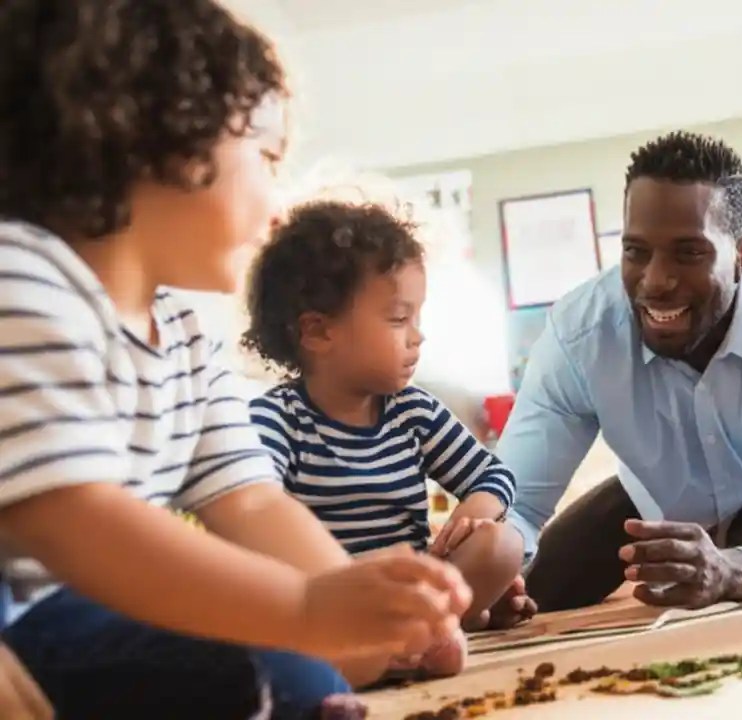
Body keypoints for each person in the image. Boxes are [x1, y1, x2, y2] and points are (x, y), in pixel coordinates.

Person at [0, 1, 470, 717]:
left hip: (81, 620)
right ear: (168, 144)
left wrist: (369, 617)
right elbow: (72, 519)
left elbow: (248, 500)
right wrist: (307, 610)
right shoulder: (26, 278)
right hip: (21, 620)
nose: (278, 206)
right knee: (266, 670)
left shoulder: (183, 333)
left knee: (298, 668)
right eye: (266, 157)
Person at [498, 131, 742, 612]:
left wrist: (732, 570)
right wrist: (494, 572)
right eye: (636, 251)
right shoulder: (580, 335)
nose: (655, 282)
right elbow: (514, 505)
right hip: (649, 503)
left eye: (689, 253)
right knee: (532, 590)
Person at [244, 199, 533, 685]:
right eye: (399, 320)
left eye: (417, 319)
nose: (417, 338)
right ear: (319, 331)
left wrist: (475, 515)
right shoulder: (278, 419)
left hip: (410, 588)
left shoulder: (411, 410)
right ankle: (416, 640)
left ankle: (419, 637)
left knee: (501, 545)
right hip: (329, 597)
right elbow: (256, 507)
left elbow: (493, 474)